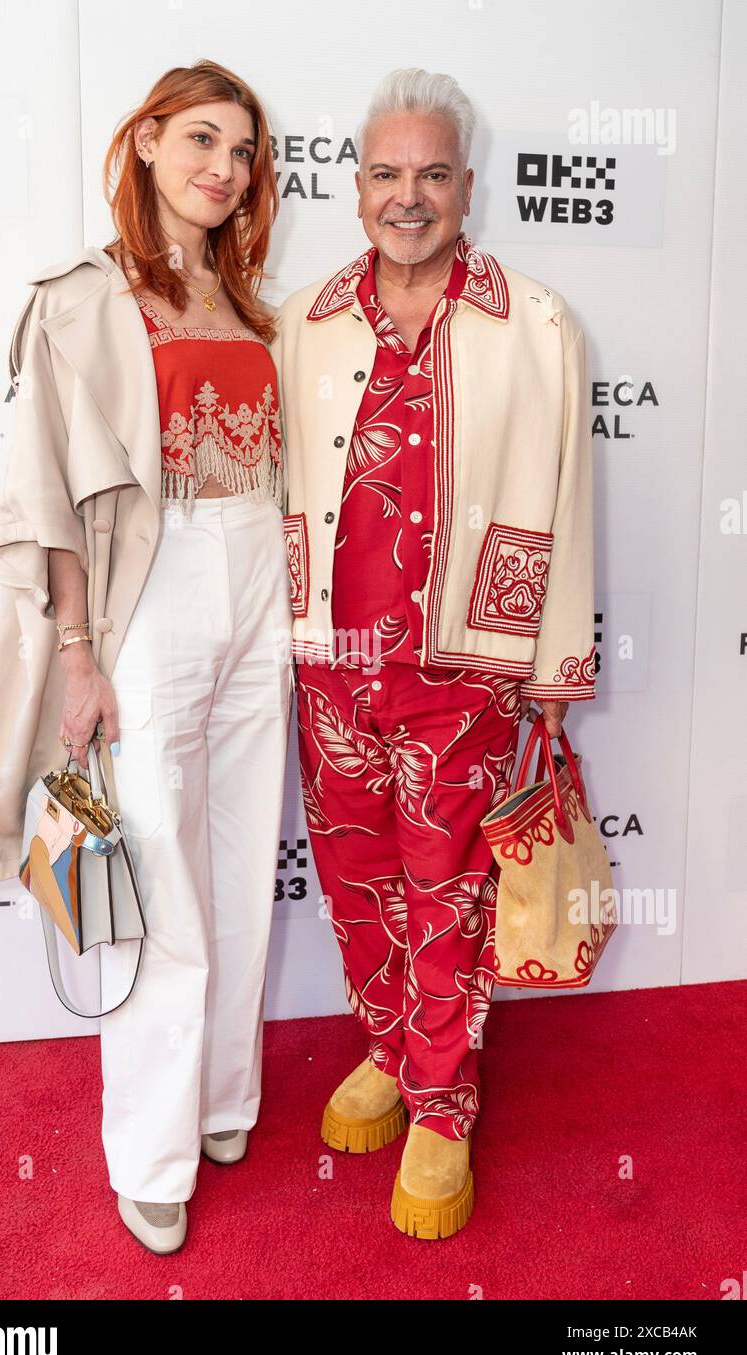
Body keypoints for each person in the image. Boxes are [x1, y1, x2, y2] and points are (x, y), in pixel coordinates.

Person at [0, 61, 292, 1256]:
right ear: (145, 141)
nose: (224, 166)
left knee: (243, 857)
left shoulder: (251, 298)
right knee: (154, 874)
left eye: (243, 150)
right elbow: (46, 493)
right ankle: (148, 1149)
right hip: (153, 593)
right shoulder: (84, 299)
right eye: (202, 139)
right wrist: (82, 653)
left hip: (261, 580)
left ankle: (219, 1097)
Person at [270, 67, 596, 1240]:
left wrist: (551, 676)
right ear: (355, 185)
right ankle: (386, 1046)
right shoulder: (301, 324)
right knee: (359, 888)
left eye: (433, 174)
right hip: (328, 664)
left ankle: (443, 1104)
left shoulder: (535, 322)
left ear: (467, 184)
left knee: (445, 889)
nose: (408, 196)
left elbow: (568, 499)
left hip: (462, 669)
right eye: (386, 173)